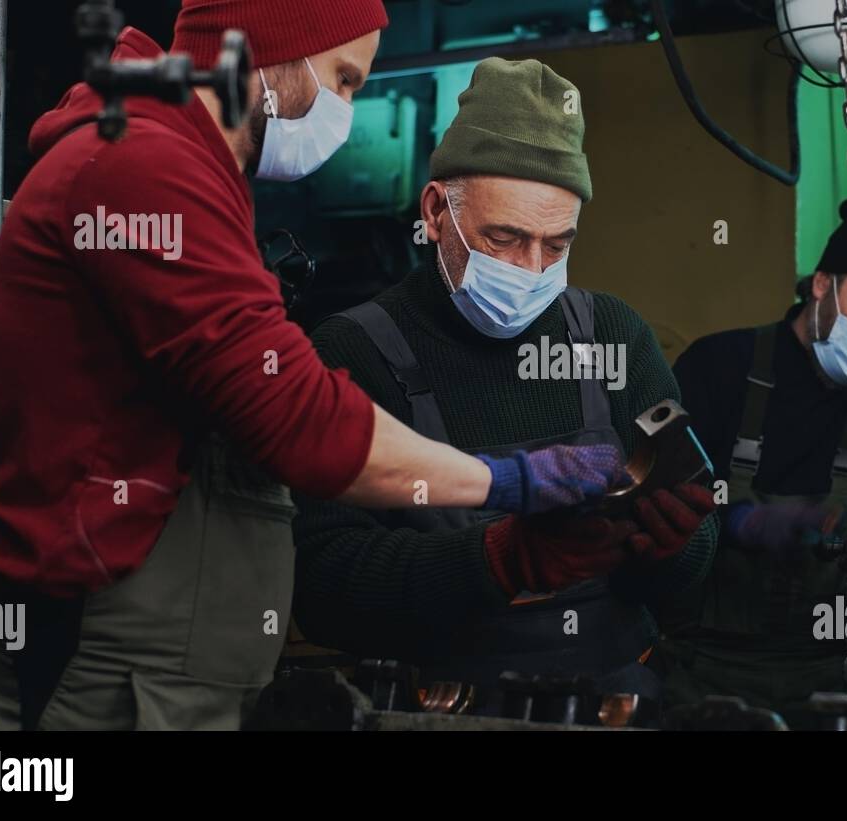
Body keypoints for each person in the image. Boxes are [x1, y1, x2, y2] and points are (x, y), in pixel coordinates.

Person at [0, 1, 622, 731]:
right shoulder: (143, 168)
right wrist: (510, 481)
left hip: (158, 672)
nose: (345, 107)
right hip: (106, 674)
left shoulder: (179, 172)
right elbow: (295, 419)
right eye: (343, 78)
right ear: (265, 52)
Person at [290, 58, 718, 712]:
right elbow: (320, 588)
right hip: (442, 711)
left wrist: (674, 548)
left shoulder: (614, 335)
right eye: (506, 238)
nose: (533, 269)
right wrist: (495, 562)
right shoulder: (350, 352)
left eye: (557, 243)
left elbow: (691, 585)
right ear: (437, 211)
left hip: (612, 702)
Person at [656, 201, 847, 727]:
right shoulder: (719, 366)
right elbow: (654, 502)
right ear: (821, 284)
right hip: (703, 667)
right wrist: (735, 518)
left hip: (835, 673)